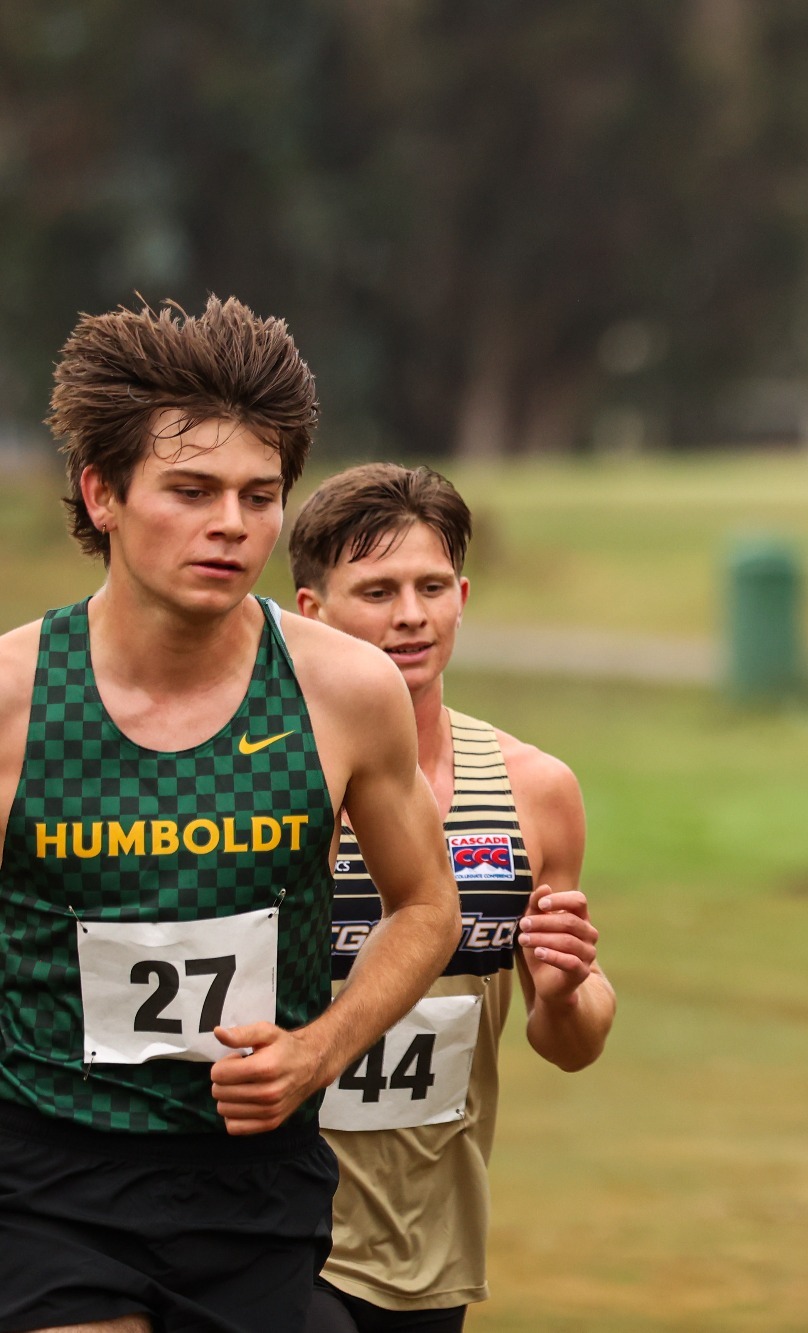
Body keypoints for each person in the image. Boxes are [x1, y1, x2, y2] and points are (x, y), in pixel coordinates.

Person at [0, 298, 462, 1333]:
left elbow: (427, 906)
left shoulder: (344, 690)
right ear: (102, 493)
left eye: (261, 496)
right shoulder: (16, 698)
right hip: (46, 1173)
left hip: (255, 1180)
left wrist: (322, 1048)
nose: (232, 523)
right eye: (192, 490)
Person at [288, 463, 615, 1333]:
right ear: (310, 613)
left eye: (432, 586)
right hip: (276, 1229)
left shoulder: (534, 788)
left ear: (462, 597)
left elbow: (570, 1040)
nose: (410, 614)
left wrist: (568, 981)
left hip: (433, 1247)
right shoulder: (266, 786)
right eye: (378, 589)